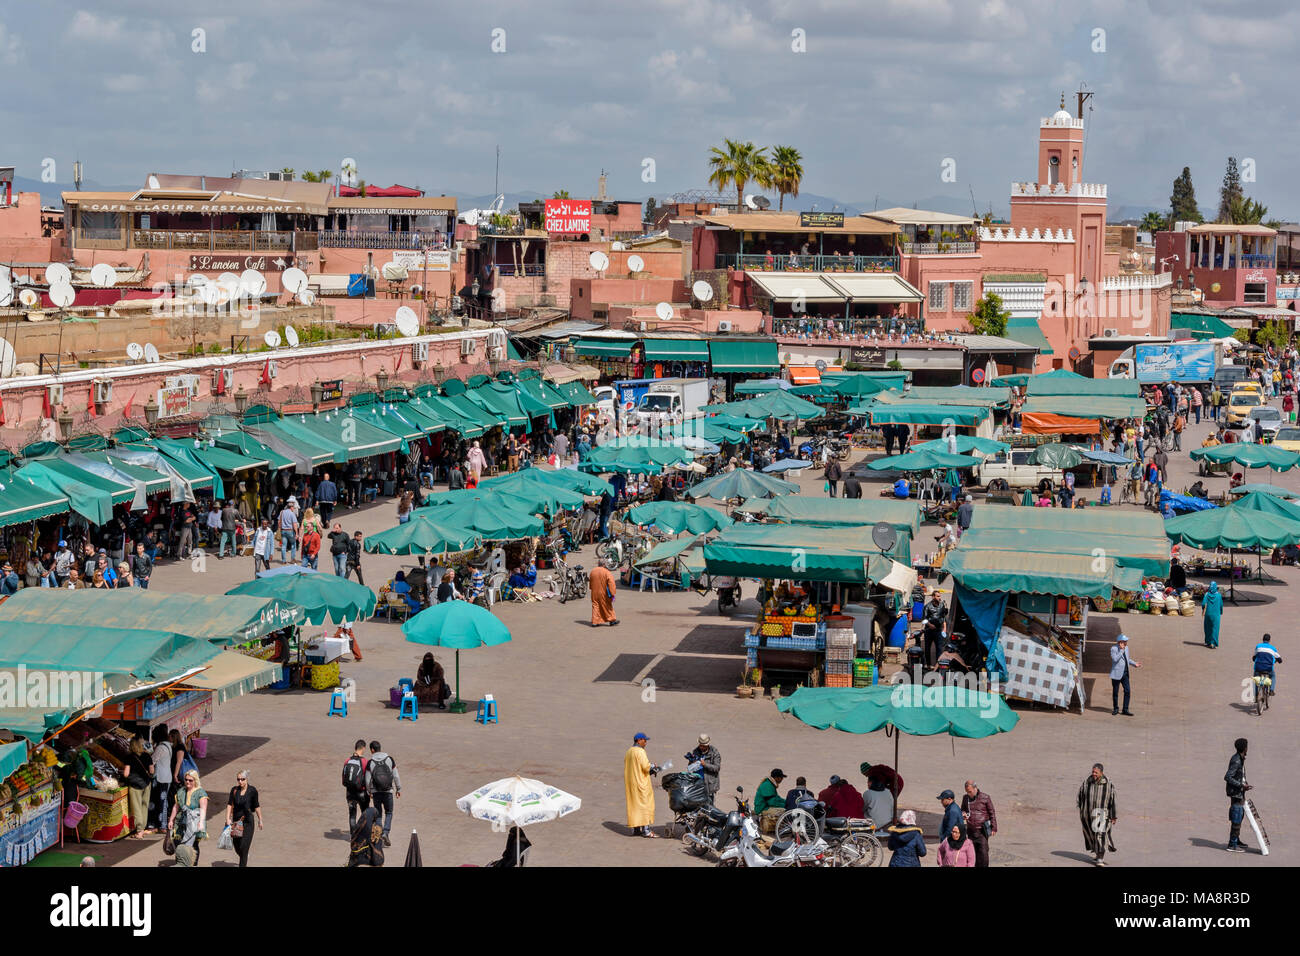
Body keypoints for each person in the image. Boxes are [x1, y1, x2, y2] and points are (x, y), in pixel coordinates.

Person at [1077, 763, 1117, 866]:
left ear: (1101, 773)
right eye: (1093, 772)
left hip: (1101, 813)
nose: (1093, 774)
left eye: (1096, 772)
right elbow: (1080, 795)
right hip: (1088, 814)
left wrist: (1113, 816)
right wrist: (1082, 809)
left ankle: (1100, 858)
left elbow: (1112, 800)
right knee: (1091, 834)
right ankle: (1097, 855)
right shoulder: (1087, 782)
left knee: (1101, 835)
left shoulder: (1108, 784)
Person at [168, 769, 208, 867]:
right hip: (181, 822)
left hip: (195, 822)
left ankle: (193, 864)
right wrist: (171, 820)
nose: (188, 782)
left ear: (195, 780)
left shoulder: (201, 792)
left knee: (194, 845)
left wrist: (201, 823)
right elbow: (176, 806)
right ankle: (181, 863)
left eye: (190, 780)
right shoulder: (181, 791)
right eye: (186, 780)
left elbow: (203, 809)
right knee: (179, 844)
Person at [365, 740, 400, 847]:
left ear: (372, 750)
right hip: (388, 791)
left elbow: (367, 780)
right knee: (389, 812)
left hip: (376, 792)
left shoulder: (370, 763)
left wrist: (369, 791)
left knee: (378, 814)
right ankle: (385, 832)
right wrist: (398, 789)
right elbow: (396, 776)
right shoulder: (390, 759)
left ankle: (379, 834)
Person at [225, 770, 262, 867]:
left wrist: (260, 819)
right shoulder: (234, 790)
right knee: (237, 847)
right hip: (236, 822)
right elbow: (229, 804)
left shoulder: (252, 791)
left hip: (248, 822)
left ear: (247, 779)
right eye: (238, 779)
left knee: (244, 847)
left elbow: (257, 806)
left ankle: (244, 858)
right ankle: (244, 855)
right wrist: (228, 818)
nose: (240, 781)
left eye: (242, 779)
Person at [623, 732, 657, 837]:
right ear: (639, 740)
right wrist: (653, 766)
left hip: (631, 784)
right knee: (646, 805)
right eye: (644, 740)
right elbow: (645, 767)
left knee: (635, 806)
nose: (646, 743)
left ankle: (636, 829)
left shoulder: (629, 751)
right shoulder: (640, 751)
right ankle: (647, 830)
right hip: (641, 783)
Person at [960, 780, 997, 867]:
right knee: (972, 853)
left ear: (975, 788)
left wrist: (994, 827)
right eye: (967, 792)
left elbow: (992, 812)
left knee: (983, 854)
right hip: (970, 831)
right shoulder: (965, 798)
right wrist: (963, 813)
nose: (968, 793)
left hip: (982, 832)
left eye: (970, 791)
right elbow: (962, 809)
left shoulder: (985, 797)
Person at [1224, 738, 1251, 853]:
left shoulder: (1240, 758)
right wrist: (1241, 785)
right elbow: (1228, 777)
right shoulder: (1236, 760)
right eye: (1247, 746)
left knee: (1240, 816)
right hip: (1236, 793)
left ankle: (1236, 839)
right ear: (1244, 748)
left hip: (1239, 791)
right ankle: (1232, 844)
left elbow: (1240, 775)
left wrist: (1244, 784)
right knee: (1236, 816)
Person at [124, 735, 153, 838]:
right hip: (146, 784)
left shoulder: (129, 757)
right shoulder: (147, 755)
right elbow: (152, 771)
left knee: (136, 808)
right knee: (144, 806)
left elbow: (126, 774)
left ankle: (139, 831)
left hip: (135, 785)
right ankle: (143, 828)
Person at [149, 726, 173, 834]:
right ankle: (162, 825)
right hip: (167, 777)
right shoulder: (168, 745)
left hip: (160, 778)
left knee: (158, 802)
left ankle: (159, 825)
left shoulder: (161, 748)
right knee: (163, 802)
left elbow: (152, 761)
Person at [1110, 634, 1141, 716]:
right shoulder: (1114, 649)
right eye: (1125, 641)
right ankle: (1115, 708)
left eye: (1126, 641)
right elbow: (1115, 659)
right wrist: (1121, 650)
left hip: (1125, 674)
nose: (1126, 643)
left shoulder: (1127, 648)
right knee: (1115, 692)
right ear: (1120, 642)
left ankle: (1125, 709)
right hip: (1116, 674)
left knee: (1127, 691)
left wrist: (1134, 664)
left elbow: (1127, 659)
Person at [342, 739, 370, 830]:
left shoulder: (347, 760)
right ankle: (363, 834)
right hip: (361, 792)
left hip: (350, 792)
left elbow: (343, 777)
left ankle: (353, 836)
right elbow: (368, 778)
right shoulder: (365, 761)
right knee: (365, 814)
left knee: (352, 815)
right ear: (363, 748)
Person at [685, 734, 722, 800]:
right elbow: (690, 768)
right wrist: (692, 763)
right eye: (700, 745)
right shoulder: (696, 751)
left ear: (707, 745)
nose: (701, 747)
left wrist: (705, 764)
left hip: (709, 785)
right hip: (697, 783)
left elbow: (717, 768)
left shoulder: (714, 753)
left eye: (703, 746)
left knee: (709, 806)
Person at [922, 589, 948, 667]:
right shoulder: (927, 606)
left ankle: (938, 665)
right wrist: (930, 625)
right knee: (927, 648)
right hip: (929, 630)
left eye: (940, 596)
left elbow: (944, 617)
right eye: (937, 596)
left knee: (939, 649)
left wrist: (945, 629)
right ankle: (928, 664)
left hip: (938, 630)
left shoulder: (942, 605)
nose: (939, 598)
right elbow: (924, 619)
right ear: (933, 597)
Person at [1201, 580, 1223, 648]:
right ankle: (1213, 643)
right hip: (1216, 615)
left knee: (1208, 628)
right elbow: (1221, 605)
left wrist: (1203, 610)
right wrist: (1221, 612)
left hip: (1208, 614)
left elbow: (1203, 604)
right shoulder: (1219, 595)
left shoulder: (1207, 594)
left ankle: (1208, 641)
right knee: (1215, 628)